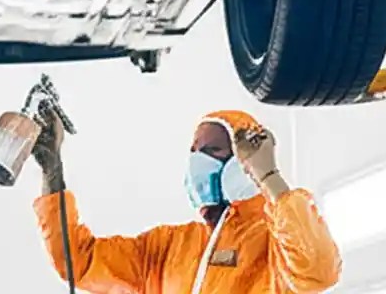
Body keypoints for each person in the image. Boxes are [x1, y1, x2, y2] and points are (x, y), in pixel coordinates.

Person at [31, 108, 341, 294]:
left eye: (211, 151)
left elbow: (318, 270)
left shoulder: (275, 243)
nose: (197, 163)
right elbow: (77, 261)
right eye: (194, 153)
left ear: (242, 165)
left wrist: (268, 176)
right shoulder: (167, 249)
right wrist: (52, 171)